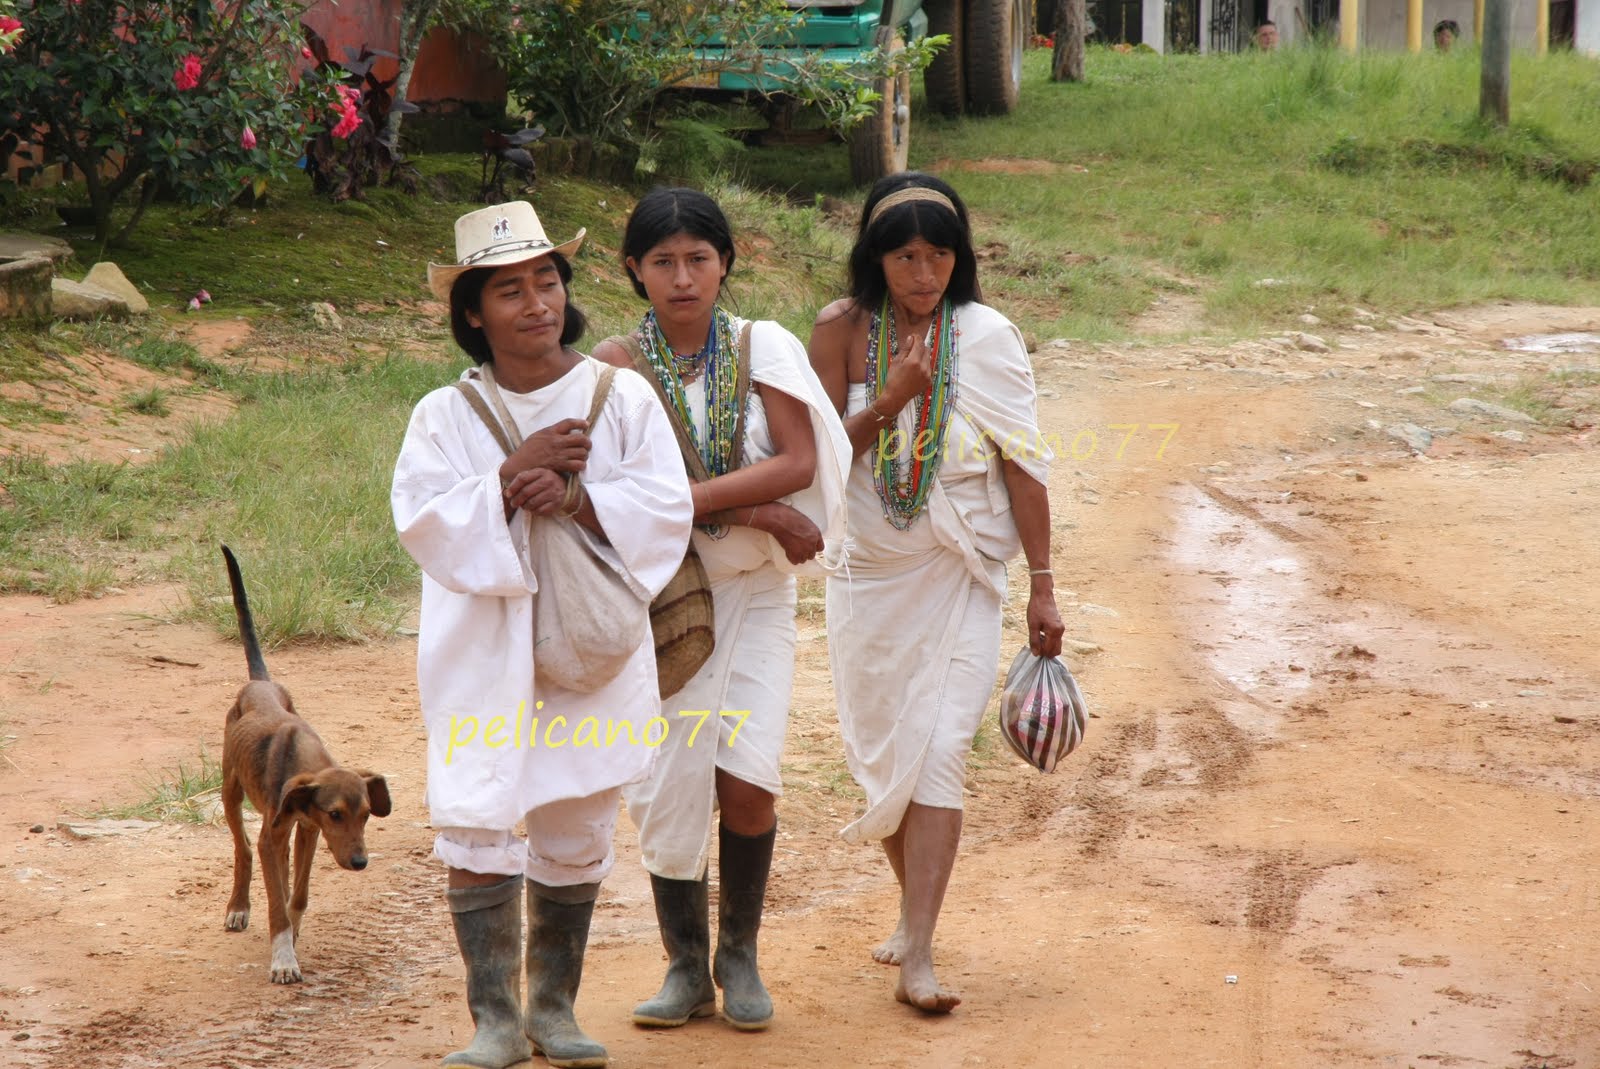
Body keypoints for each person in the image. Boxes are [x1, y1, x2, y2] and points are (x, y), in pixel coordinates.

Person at [392, 201, 693, 1069]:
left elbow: (666, 510)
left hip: (589, 651)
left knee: (575, 822)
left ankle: (552, 1010)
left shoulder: (618, 395)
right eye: (509, 289)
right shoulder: (442, 415)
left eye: (547, 281)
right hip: (480, 652)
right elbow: (424, 524)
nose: (536, 303)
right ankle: (493, 1020)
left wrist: (577, 497)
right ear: (472, 312)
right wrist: (508, 476)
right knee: (480, 816)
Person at [592, 187, 851, 1032]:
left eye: (698, 259)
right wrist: (750, 510)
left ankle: (738, 955)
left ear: (725, 263)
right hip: (664, 601)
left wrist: (705, 503)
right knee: (669, 788)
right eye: (662, 262)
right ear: (633, 270)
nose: (682, 278)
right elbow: (617, 493)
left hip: (754, 595)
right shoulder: (616, 366)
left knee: (748, 780)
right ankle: (683, 966)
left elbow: (797, 459)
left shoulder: (760, 345)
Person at [807, 173, 1064, 1014]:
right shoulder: (839, 331)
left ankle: (920, 949)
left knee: (942, 747)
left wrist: (1044, 586)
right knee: (889, 758)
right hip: (868, 580)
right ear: (874, 258)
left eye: (940, 254)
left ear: (962, 258)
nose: (924, 274)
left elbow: (1023, 465)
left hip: (959, 578)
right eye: (906, 256)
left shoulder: (987, 336)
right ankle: (911, 914)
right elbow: (813, 459)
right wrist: (890, 401)